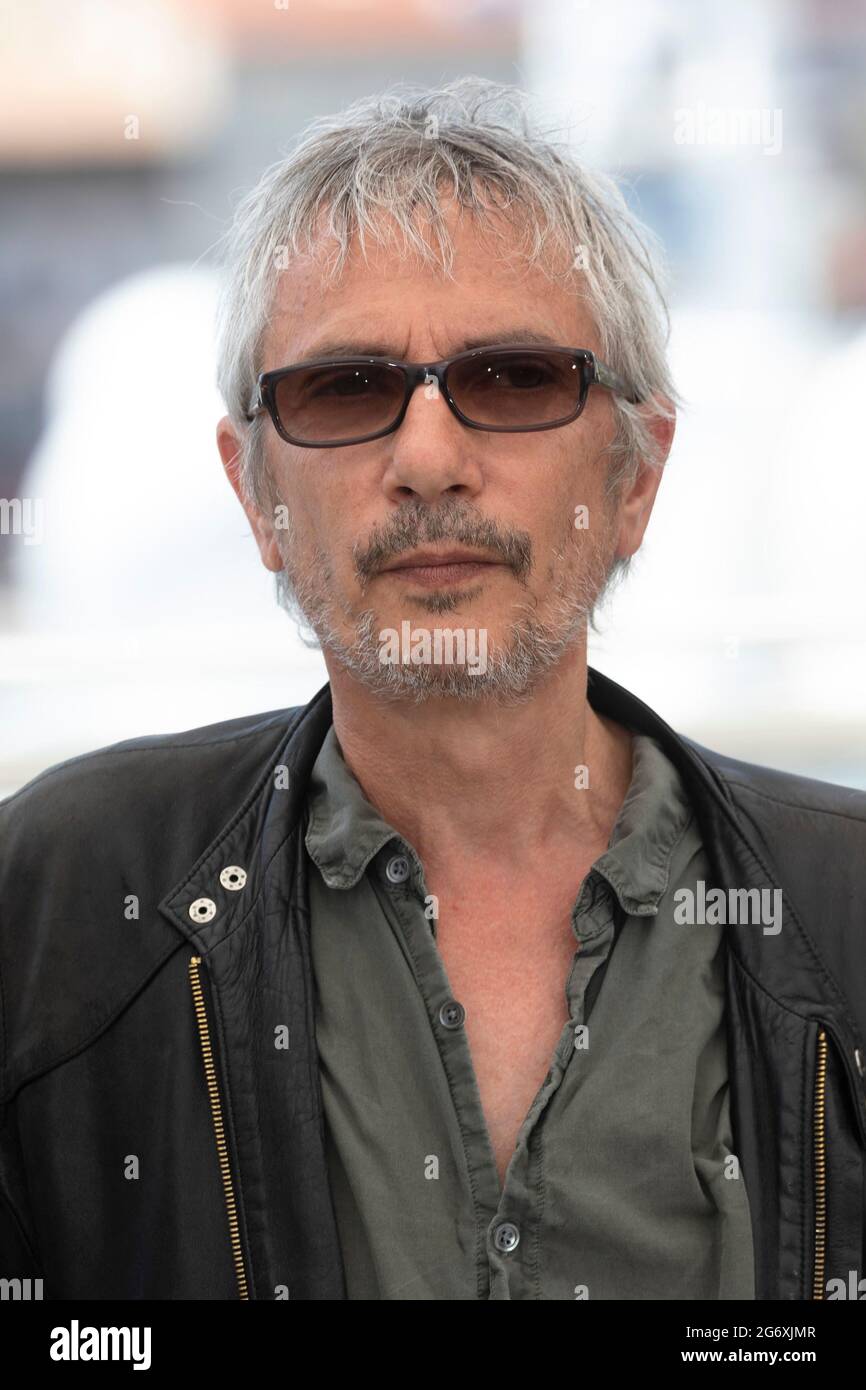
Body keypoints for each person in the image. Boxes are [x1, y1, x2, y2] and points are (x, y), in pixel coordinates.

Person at [1, 77, 864, 1302]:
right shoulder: (66, 905)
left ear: (635, 475)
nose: (426, 459)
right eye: (343, 389)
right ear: (254, 493)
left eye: (512, 380)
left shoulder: (841, 913)